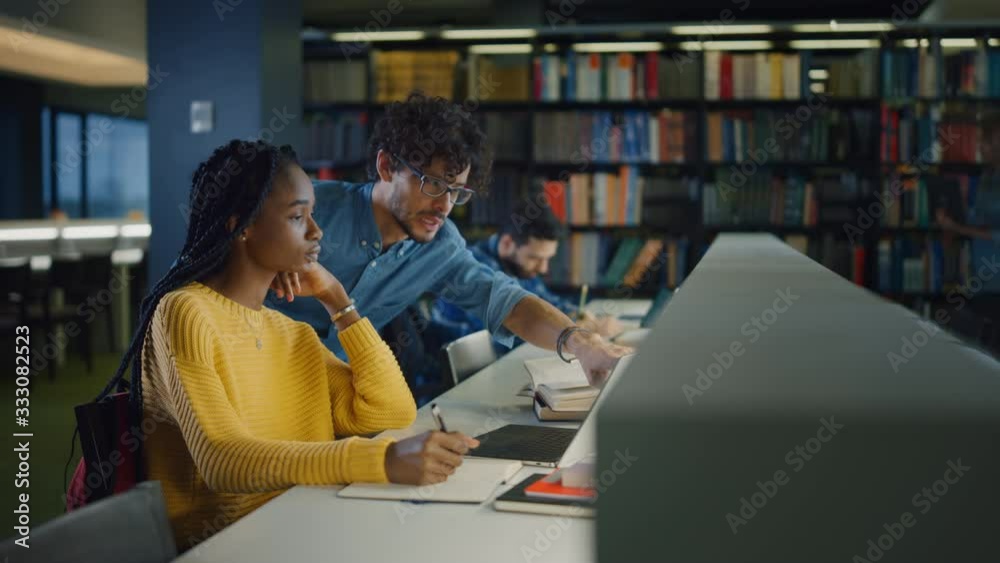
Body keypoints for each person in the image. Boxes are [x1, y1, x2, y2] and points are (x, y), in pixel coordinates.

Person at [94, 140, 478, 551]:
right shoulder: (186, 312)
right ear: (240, 224)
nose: (316, 232)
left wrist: (337, 299)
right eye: (298, 216)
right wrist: (380, 461)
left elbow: (389, 410)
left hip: (305, 526)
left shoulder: (288, 331)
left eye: (312, 214)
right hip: (229, 546)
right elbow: (223, 461)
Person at [269, 92, 630, 385]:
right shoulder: (308, 207)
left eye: (457, 191)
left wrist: (582, 343)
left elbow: (506, 301)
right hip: (253, 388)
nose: (444, 205)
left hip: (338, 399)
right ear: (386, 166)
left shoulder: (441, 246)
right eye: (433, 184)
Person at [431, 200, 623, 355]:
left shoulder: (521, 266)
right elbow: (503, 339)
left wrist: (577, 316)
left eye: (548, 259)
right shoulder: (472, 268)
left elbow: (547, 301)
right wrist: (574, 332)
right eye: (535, 258)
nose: (543, 268)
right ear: (507, 243)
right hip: (460, 382)